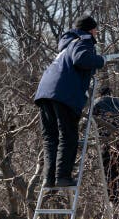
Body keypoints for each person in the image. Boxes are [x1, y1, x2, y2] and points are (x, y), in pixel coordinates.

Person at [34, 15, 105, 187]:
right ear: (90, 29)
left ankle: (49, 178)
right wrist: (101, 60)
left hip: (45, 92)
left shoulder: (66, 46)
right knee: (68, 134)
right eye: (95, 30)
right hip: (63, 93)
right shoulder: (83, 40)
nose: (96, 33)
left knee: (51, 137)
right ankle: (62, 176)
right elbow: (81, 59)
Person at [93, 86, 119, 205]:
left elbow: (90, 120)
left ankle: (113, 198)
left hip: (105, 141)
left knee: (108, 169)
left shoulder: (97, 102)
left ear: (100, 93)